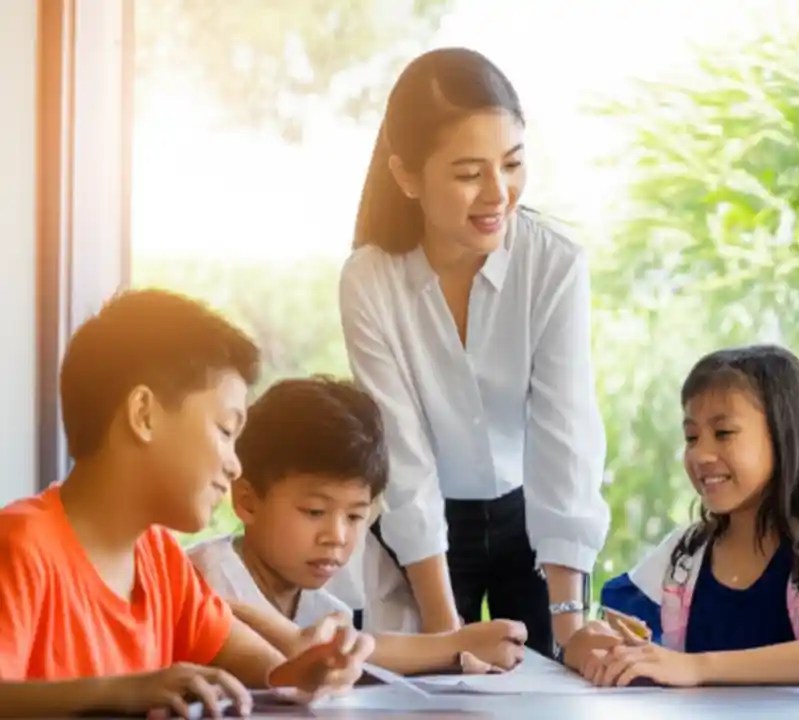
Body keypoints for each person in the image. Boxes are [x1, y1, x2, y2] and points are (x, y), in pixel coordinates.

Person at [340, 46, 609, 658]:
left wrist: (569, 625)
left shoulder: (554, 265)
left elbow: (563, 440)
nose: (498, 194)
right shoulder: (370, 281)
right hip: (423, 534)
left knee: (550, 681)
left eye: (512, 164)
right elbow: (403, 460)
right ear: (406, 175)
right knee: (434, 690)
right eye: (467, 174)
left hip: (532, 523)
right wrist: (445, 634)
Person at [0, 290, 374, 718]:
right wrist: (117, 693)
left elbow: (276, 676)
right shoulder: (20, 545)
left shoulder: (161, 560)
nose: (235, 466)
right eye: (225, 430)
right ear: (144, 414)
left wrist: (313, 670)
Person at [566, 345, 799, 687]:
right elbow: (611, 632)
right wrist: (585, 646)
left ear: (785, 435)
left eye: (723, 434)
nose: (700, 454)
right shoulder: (685, 553)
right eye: (691, 436)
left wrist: (695, 668)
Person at [188, 376, 527, 675]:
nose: (335, 537)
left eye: (354, 517)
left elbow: (357, 651)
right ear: (247, 502)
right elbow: (303, 654)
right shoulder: (205, 577)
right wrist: (452, 645)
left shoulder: (326, 607)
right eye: (314, 511)